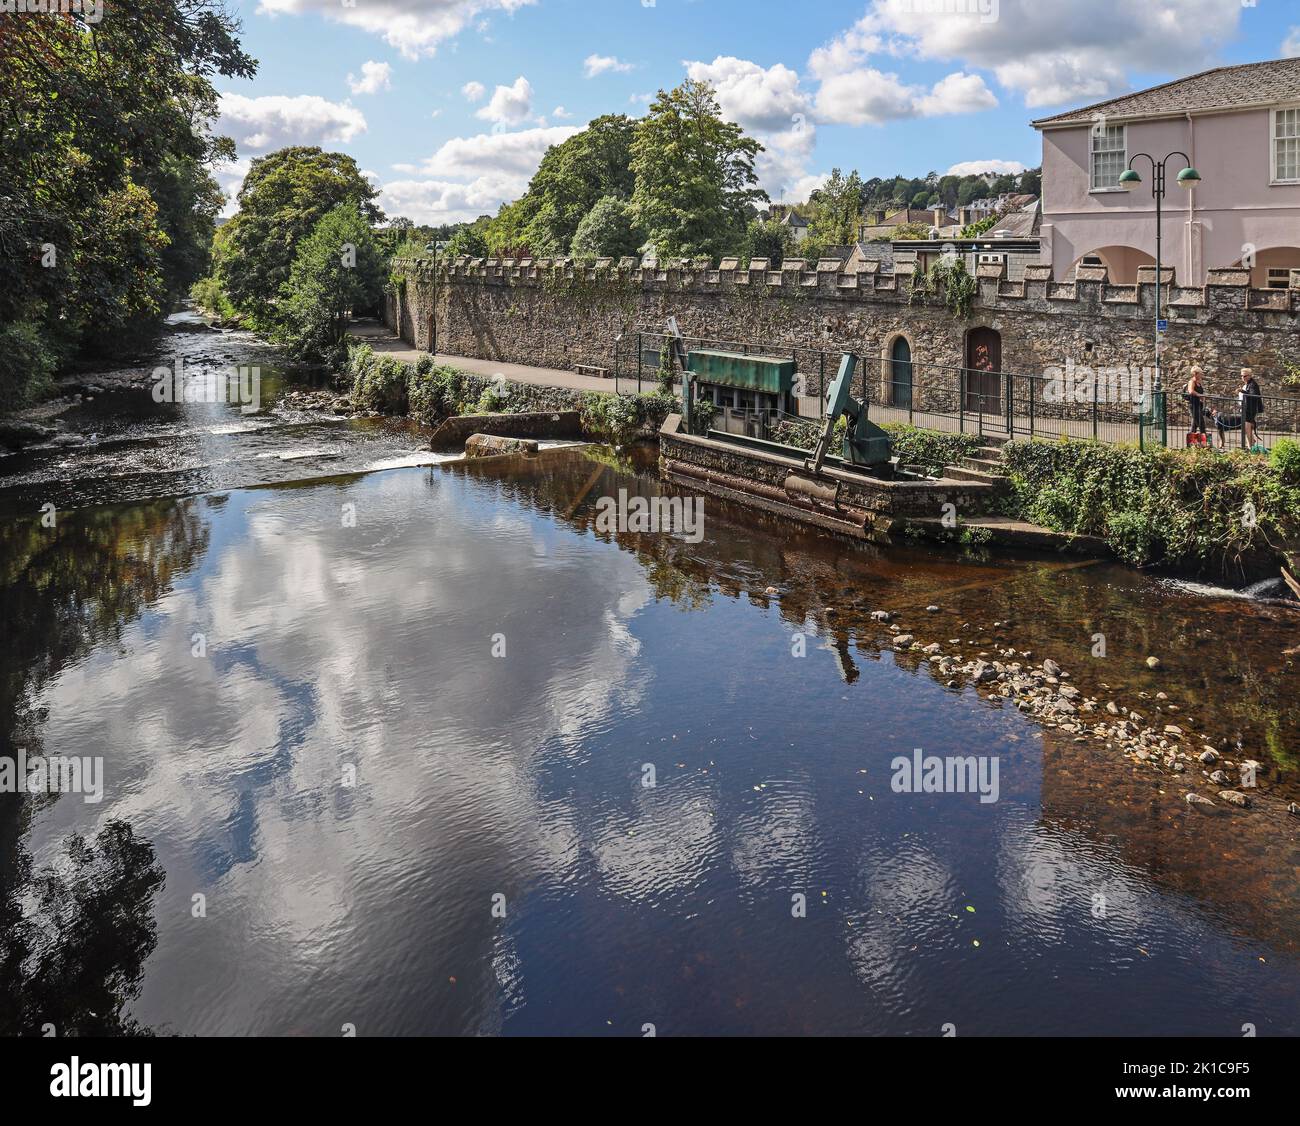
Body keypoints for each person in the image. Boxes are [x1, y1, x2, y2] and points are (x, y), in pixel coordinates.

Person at [1240, 368, 1264, 450]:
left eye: (1244, 376)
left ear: (1250, 376)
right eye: (1241, 376)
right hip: (1247, 408)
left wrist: (1242, 391)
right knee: (1248, 427)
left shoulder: (1253, 384)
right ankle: (1250, 444)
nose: (1243, 377)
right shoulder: (1248, 384)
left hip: (1251, 409)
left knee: (1247, 427)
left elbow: (1253, 395)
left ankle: (1251, 445)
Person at [1184, 366, 1207, 442]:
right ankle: (1204, 443)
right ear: (1195, 374)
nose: (1201, 375)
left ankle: (1190, 444)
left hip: (1199, 405)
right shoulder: (1192, 381)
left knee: (1194, 425)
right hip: (1193, 405)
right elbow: (1191, 391)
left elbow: (1201, 392)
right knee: (1201, 423)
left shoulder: (1199, 382)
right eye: (1200, 373)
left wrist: (1202, 398)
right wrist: (1200, 395)